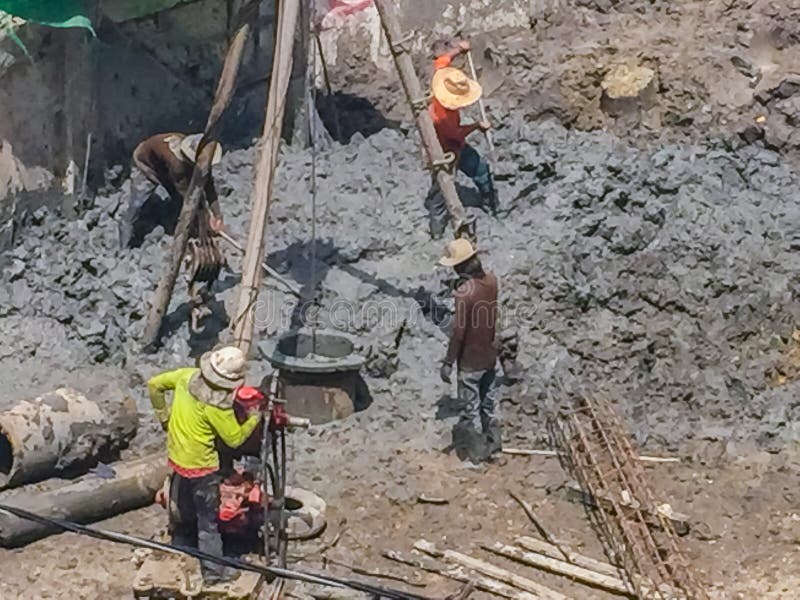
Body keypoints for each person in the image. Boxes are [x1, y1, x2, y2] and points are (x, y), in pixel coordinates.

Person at [147, 346, 261, 585]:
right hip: (202, 467)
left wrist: (164, 417)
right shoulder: (218, 405)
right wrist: (254, 418)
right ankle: (213, 573)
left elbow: (153, 385)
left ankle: (182, 544)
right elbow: (234, 439)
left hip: (177, 456)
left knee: (185, 503)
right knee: (208, 522)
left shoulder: (185, 376)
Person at [426, 39, 498, 238]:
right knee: (441, 189)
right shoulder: (443, 117)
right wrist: (477, 126)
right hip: (445, 149)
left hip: (455, 142)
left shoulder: (441, 77)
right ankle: (437, 231)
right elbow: (455, 134)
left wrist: (458, 49)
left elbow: (442, 60)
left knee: (481, 170)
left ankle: (491, 207)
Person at [438, 238, 501, 463]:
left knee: (470, 409)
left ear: (460, 266)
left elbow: (459, 333)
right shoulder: (492, 281)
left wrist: (448, 362)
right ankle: (494, 444)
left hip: (470, 360)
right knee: (489, 403)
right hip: (489, 356)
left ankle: (475, 454)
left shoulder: (464, 293)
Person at [119, 132, 225, 248]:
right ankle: (124, 242)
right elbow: (189, 197)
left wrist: (217, 215)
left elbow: (208, 184)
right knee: (137, 203)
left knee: (179, 196)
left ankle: (175, 219)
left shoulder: (201, 155)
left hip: (164, 164)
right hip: (145, 163)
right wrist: (204, 218)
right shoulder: (177, 165)